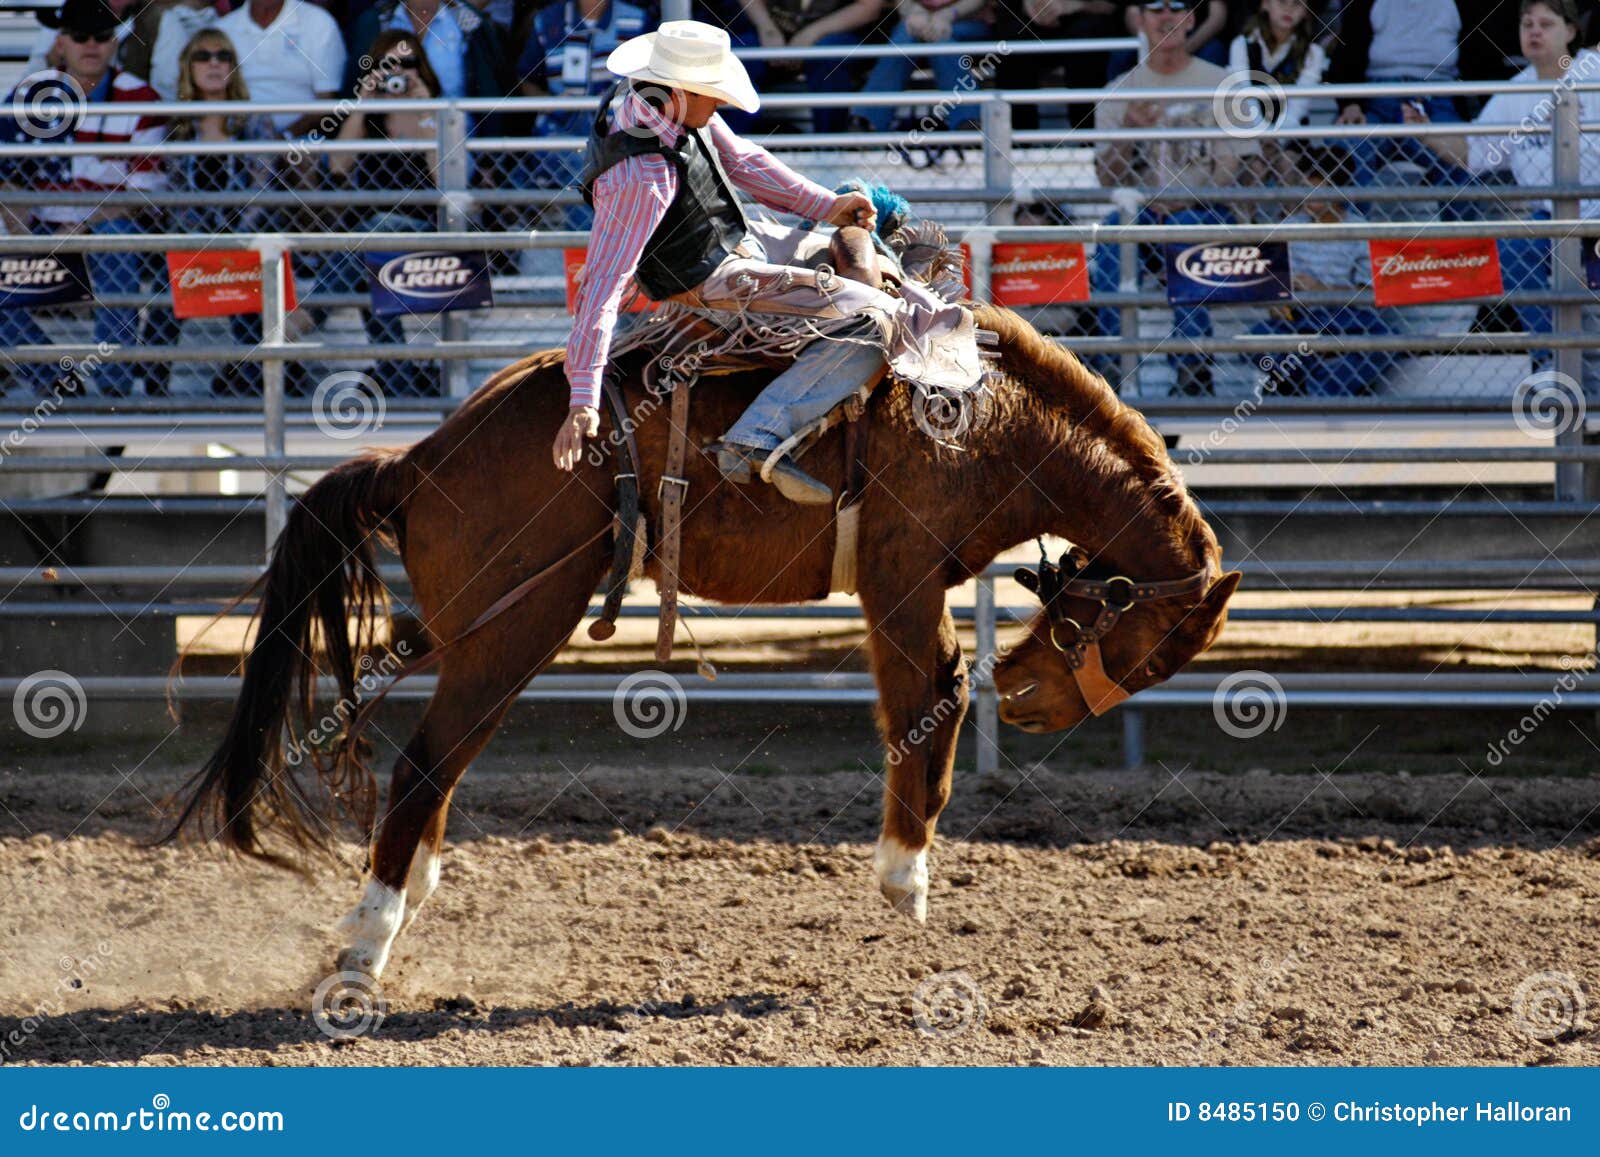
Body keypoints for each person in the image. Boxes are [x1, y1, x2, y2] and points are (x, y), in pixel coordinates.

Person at [554, 20, 982, 504]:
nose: (719, 104)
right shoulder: (643, 176)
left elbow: (743, 162)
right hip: (713, 283)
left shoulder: (658, 103)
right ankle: (758, 434)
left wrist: (827, 206)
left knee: (866, 258)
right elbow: (604, 288)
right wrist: (583, 399)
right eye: (711, 93)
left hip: (739, 241)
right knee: (875, 321)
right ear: (681, 86)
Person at [1408, 0, 1600, 363]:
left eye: (1546, 23)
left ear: (1571, 32)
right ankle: (1552, 354)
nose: (1535, 32)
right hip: (1550, 223)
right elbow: (1474, 154)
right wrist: (1426, 133)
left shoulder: (1594, 74)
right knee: (1508, 249)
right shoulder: (1515, 91)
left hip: (1598, 219)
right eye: (1527, 24)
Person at [0, 0, 167, 397]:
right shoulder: (27, 95)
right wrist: (25, 231)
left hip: (106, 232)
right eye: (80, 36)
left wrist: (84, 227)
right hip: (36, 229)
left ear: (114, 44)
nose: (90, 45)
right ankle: (56, 383)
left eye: (102, 36)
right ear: (61, 42)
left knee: (118, 237)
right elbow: (4, 181)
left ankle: (114, 386)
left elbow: (145, 194)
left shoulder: (142, 99)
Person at [1091, 0, 1256, 395]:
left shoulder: (1221, 82)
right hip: (1143, 216)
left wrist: (1192, 198)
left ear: (1191, 20)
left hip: (1205, 211)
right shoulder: (1120, 90)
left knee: (1185, 229)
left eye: (1177, 8)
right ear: (1140, 20)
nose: (1167, 18)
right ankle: (1112, 363)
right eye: (1156, 9)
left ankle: (1191, 367)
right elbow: (1107, 177)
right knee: (1112, 236)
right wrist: (1130, 133)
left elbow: (1239, 165)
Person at [154, 27, 280, 396]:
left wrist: (232, 241)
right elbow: (174, 197)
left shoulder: (254, 123)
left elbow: (263, 189)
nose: (213, 63)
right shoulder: (176, 128)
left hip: (245, 236)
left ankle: (251, 374)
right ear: (187, 67)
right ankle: (151, 375)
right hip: (190, 241)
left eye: (222, 56)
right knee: (169, 276)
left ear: (233, 67)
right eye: (202, 56)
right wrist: (201, 241)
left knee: (248, 268)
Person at [323, 30, 445, 395]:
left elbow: (448, 180)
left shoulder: (439, 112)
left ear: (422, 69)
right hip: (372, 241)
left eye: (408, 64)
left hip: (427, 229)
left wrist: (426, 114)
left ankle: (307, 314)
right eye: (390, 65)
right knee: (370, 257)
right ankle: (398, 373)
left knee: (375, 232)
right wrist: (362, 103)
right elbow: (338, 166)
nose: (400, 73)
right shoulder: (370, 116)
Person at [1246, 145, 1399, 395]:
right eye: (1307, 187)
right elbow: (1275, 300)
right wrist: (1284, 300)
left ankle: (1316, 384)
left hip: (1348, 320)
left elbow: (1367, 294)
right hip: (1301, 319)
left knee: (1386, 341)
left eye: (1320, 188)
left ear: (1338, 191)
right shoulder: (1290, 228)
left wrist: (1320, 289)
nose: (1310, 197)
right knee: (1256, 339)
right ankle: (1312, 374)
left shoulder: (1361, 230)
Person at [733, 0, 884, 134]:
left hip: (836, 34)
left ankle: (829, 148)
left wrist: (811, 34)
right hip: (776, 30)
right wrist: (767, 29)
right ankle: (734, 147)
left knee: (826, 57)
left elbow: (869, 7)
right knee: (733, 58)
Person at [856, 0, 993, 134]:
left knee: (939, 39)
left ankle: (967, 123)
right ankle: (868, 123)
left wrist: (946, 15)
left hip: (968, 20)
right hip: (914, 21)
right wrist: (915, 12)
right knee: (906, 36)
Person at [217, 0, 347, 137]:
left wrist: (285, 138)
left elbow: (326, 101)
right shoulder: (223, 29)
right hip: (234, 139)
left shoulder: (319, 22)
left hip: (301, 144)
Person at [996, 0, 1123, 131]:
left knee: (1086, 42)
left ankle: (1089, 138)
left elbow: (1112, 6)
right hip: (1028, 26)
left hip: (1085, 27)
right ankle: (1020, 141)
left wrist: (1073, 5)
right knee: (1012, 43)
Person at [345, 0, 510, 102]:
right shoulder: (373, 22)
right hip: (387, 150)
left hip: (458, 147)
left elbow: (494, 96)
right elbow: (353, 92)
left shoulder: (471, 22)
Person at [1224, 0, 1328, 129]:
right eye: (1282, 1)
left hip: (1292, 136)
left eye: (1297, 3)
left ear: (1306, 11)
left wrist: (1278, 140)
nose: (1289, 9)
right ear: (1265, 4)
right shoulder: (1241, 45)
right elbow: (1244, 94)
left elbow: (1298, 107)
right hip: (1249, 133)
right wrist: (1261, 135)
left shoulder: (1313, 53)